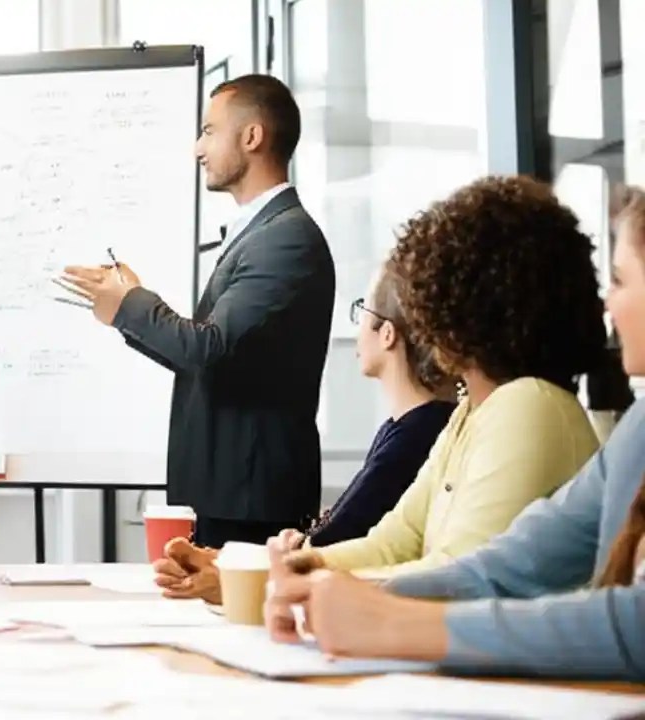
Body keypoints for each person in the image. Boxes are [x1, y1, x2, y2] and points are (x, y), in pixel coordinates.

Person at [157, 175, 606, 599]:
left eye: (434, 294)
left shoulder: (528, 406)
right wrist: (253, 572)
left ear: (469, 304)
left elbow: (455, 577)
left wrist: (266, 584)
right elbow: (391, 545)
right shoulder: (471, 414)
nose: (422, 319)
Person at [262, 184, 645, 681]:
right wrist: (330, 586)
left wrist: (391, 619)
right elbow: (513, 561)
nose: (606, 305)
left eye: (619, 280)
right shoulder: (635, 426)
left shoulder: (530, 405)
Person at [61, 74, 335, 548]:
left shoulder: (284, 237)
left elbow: (207, 347)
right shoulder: (263, 231)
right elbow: (209, 358)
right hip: (230, 494)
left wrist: (129, 304)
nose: (197, 148)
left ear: (251, 137)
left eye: (209, 131)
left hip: (250, 500)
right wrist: (124, 305)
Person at [306, 268, 456, 546]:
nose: (356, 331)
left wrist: (296, 544)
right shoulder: (410, 425)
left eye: (363, 312)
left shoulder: (414, 439)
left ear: (387, 334)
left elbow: (333, 541)